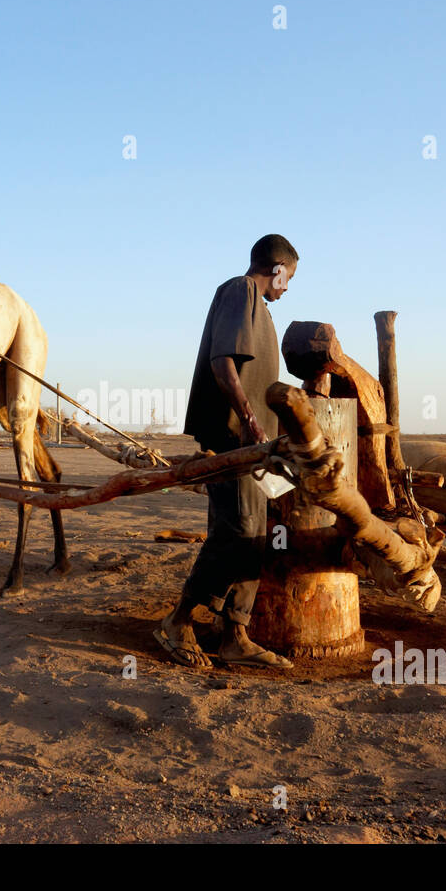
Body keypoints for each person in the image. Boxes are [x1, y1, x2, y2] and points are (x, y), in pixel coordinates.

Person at [156, 234, 299, 670]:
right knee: (238, 530)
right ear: (276, 269)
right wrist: (252, 423)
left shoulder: (262, 310)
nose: (288, 287)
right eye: (289, 277)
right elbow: (223, 365)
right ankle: (177, 621)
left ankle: (235, 634)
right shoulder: (241, 291)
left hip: (256, 447)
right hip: (235, 439)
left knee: (255, 532)